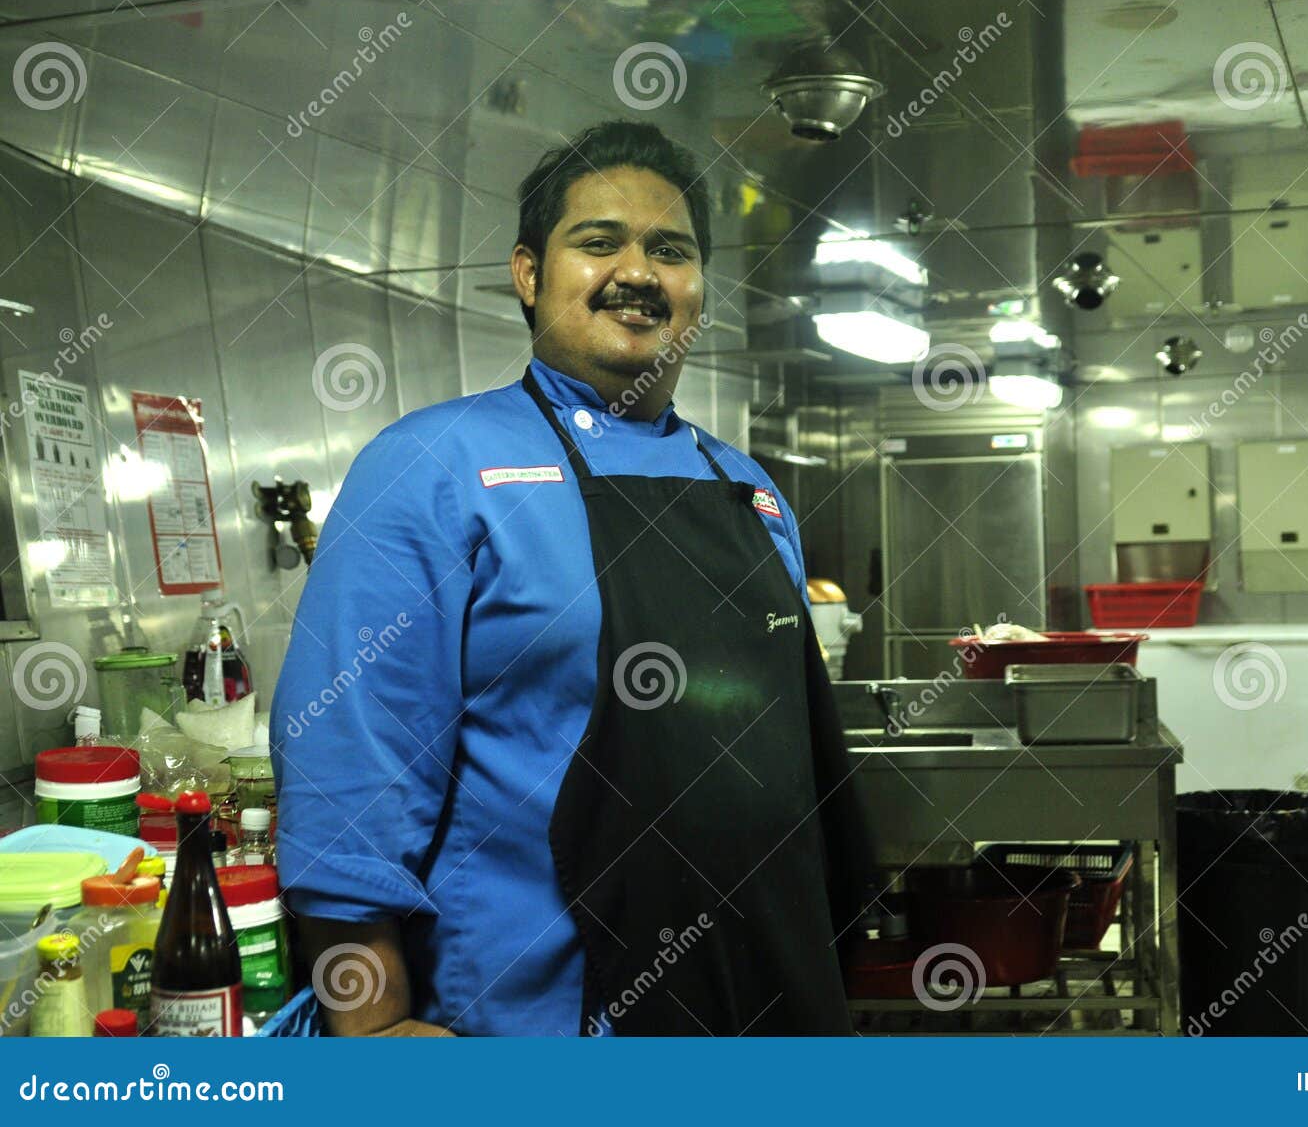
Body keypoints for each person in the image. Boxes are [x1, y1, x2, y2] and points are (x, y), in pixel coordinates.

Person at [271, 121, 871, 1036]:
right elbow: (348, 763)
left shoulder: (746, 489)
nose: (637, 272)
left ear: (699, 291)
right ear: (527, 274)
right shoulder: (434, 466)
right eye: (599, 242)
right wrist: (374, 1023)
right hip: (534, 1019)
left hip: (765, 1002)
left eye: (669, 251)